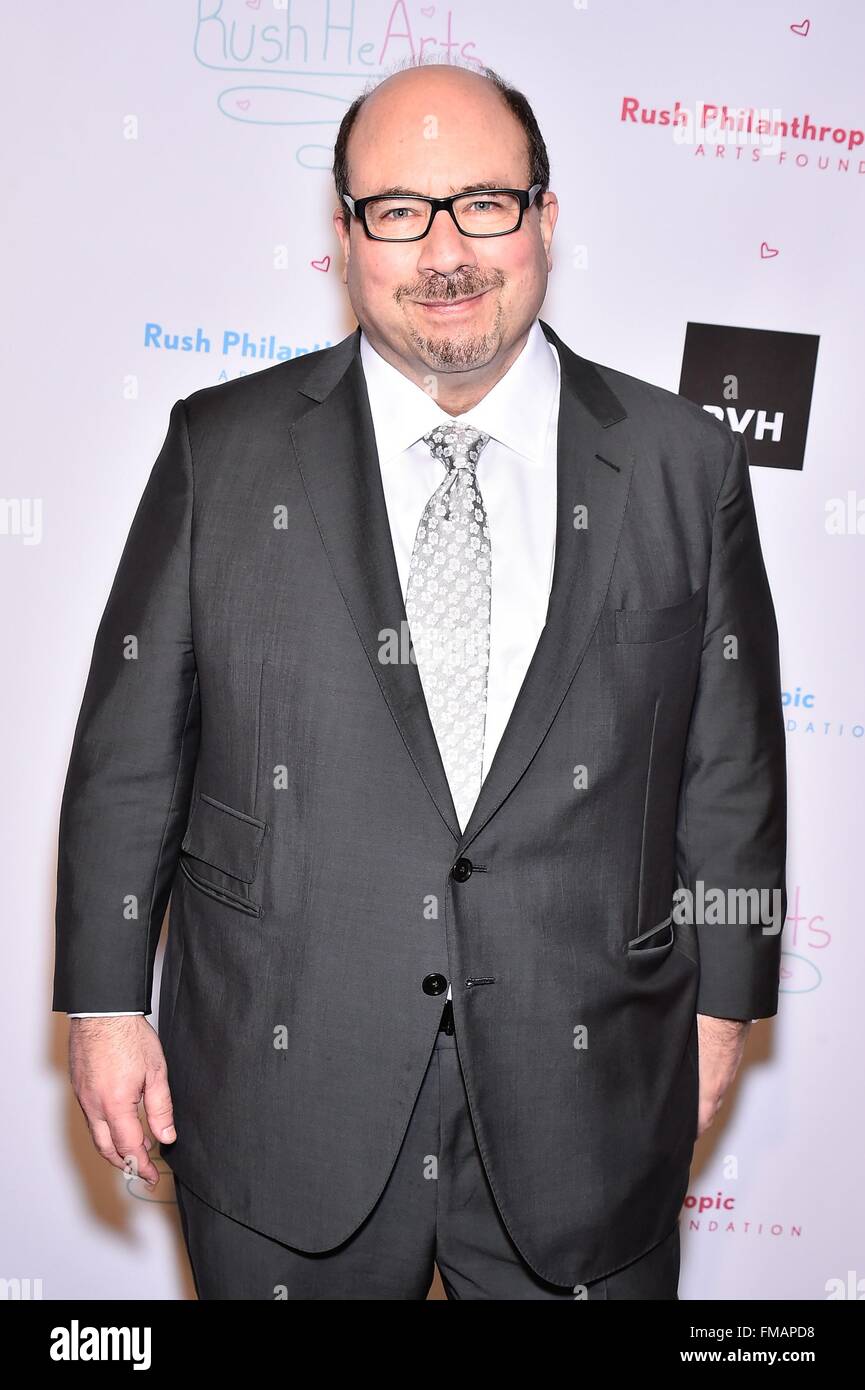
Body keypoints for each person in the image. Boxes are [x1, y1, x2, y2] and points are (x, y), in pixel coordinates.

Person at [54, 57, 787, 1300]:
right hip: (286, 1085)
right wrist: (105, 1005)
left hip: (591, 1091)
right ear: (344, 236)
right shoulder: (219, 449)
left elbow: (731, 771)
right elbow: (131, 751)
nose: (444, 250)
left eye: (483, 204)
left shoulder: (682, 462)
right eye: (398, 211)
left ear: (546, 215)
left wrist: (727, 1008)